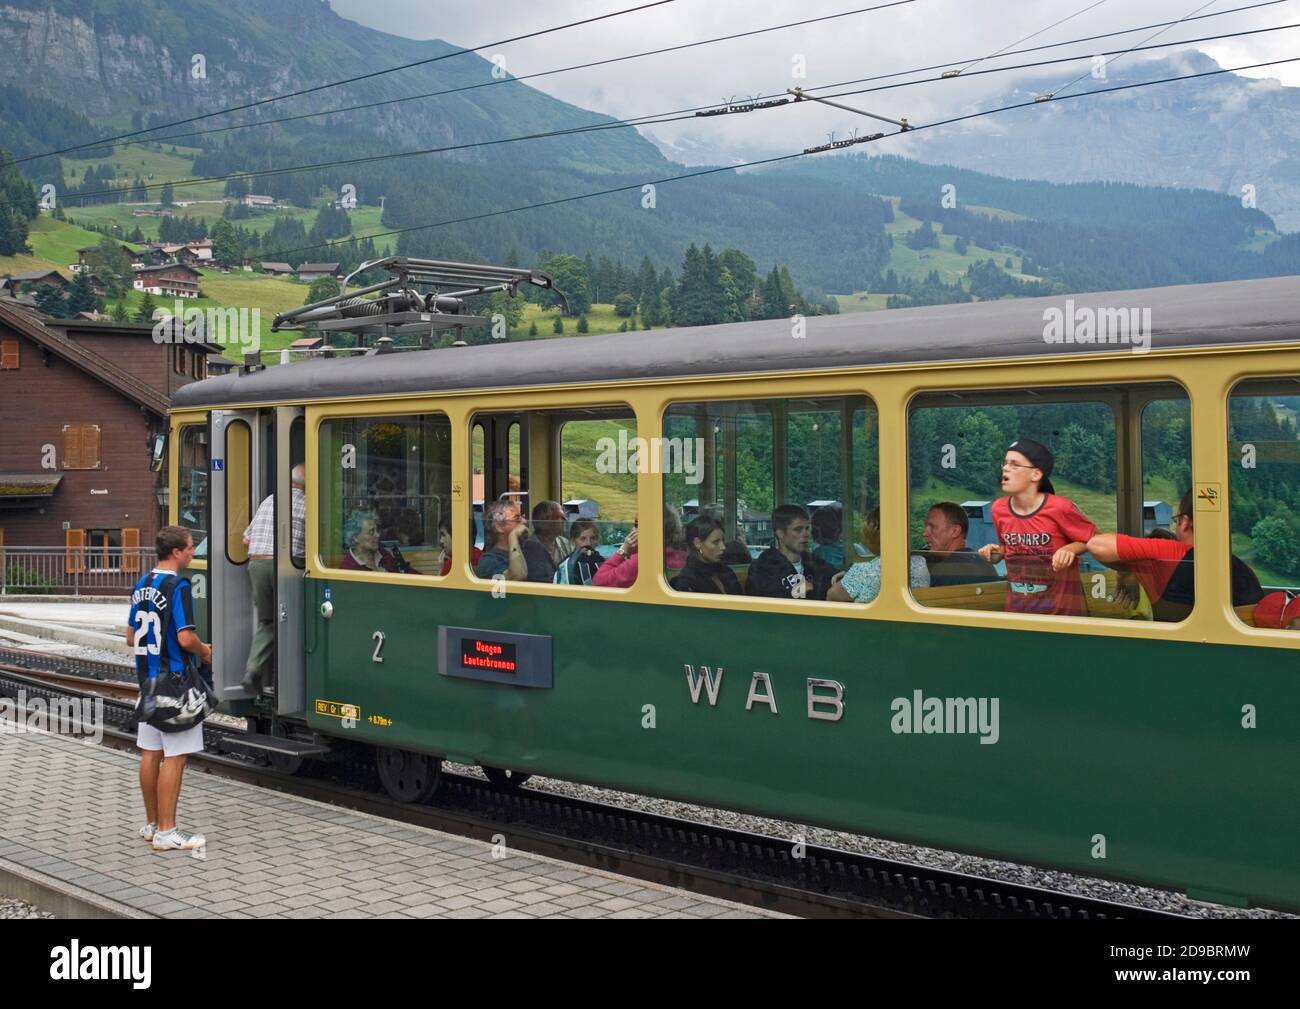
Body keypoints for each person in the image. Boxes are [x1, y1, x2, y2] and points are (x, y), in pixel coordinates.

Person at [125, 526, 211, 852]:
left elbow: (131, 636)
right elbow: (185, 638)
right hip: (175, 686)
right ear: (176, 552)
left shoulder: (143, 584)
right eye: (190, 548)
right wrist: (205, 651)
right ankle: (167, 831)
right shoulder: (179, 586)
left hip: (146, 680)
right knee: (175, 757)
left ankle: (151, 824)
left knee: (150, 753)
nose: (193, 553)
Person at [1086, 489, 1265, 622]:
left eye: (1176, 520)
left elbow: (1096, 545)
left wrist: (1128, 570)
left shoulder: (1172, 552)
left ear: (1185, 523)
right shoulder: (1243, 570)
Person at [976, 439, 1097, 616]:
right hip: (1017, 613)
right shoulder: (998, 509)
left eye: (1015, 465)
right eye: (1005, 463)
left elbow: (1095, 539)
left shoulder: (1060, 507)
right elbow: (1008, 549)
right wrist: (995, 552)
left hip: (1061, 616)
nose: (1005, 468)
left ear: (1036, 475)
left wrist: (1071, 549)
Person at [239, 464, 306, 694]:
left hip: (256, 564)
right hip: (285, 567)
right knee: (293, 620)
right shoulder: (308, 503)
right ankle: (289, 680)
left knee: (268, 622)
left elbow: (245, 539)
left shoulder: (270, 500)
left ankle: (252, 670)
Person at [828, 508, 930, 603]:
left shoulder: (866, 569)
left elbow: (832, 596)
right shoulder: (920, 562)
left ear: (871, 534)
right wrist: (851, 575)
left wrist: (853, 575)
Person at [746, 504, 835, 600]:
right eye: (798, 529)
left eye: (807, 528)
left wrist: (848, 577)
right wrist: (796, 592)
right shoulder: (762, 568)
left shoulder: (815, 563)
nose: (806, 534)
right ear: (780, 533)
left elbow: (840, 582)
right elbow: (761, 603)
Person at [592, 513, 688, 588]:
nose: (633, 529)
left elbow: (599, 581)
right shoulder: (683, 556)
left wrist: (623, 550)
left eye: (636, 525)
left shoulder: (639, 562)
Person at [920, 501, 999, 586]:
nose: (925, 533)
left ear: (955, 531)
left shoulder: (943, 571)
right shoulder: (986, 566)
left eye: (932, 527)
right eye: (926, 526)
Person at [671, 515, 743, 594]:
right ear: (697, 543)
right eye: (716, 542)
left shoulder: (726, 571)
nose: (723, 547)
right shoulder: (686, 581)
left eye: (723, 541)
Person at [339, 510, 411, 573]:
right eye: (371, 532)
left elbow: (408, 574)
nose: (378, 535)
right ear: (355, 537)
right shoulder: (348, 568)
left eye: (377, 530)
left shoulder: (383, 554)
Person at [475, 499, 529, 581]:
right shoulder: (489, 561)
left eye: (522, 517)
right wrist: (513, 536)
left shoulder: (525, 548)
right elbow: (517, 575)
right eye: (517, 518)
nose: (524, 521)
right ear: (499, 527)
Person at [555, 518, 605, 585]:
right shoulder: (566, 566)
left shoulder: (602, 562)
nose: (588, 543)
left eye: (593, 538)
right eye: (583, 539)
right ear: (573, 541)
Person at [531, 500, 572, 568]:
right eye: (560, 517)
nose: (565, 520)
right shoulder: (528, 546)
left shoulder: (565, 543)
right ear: (545, 521)